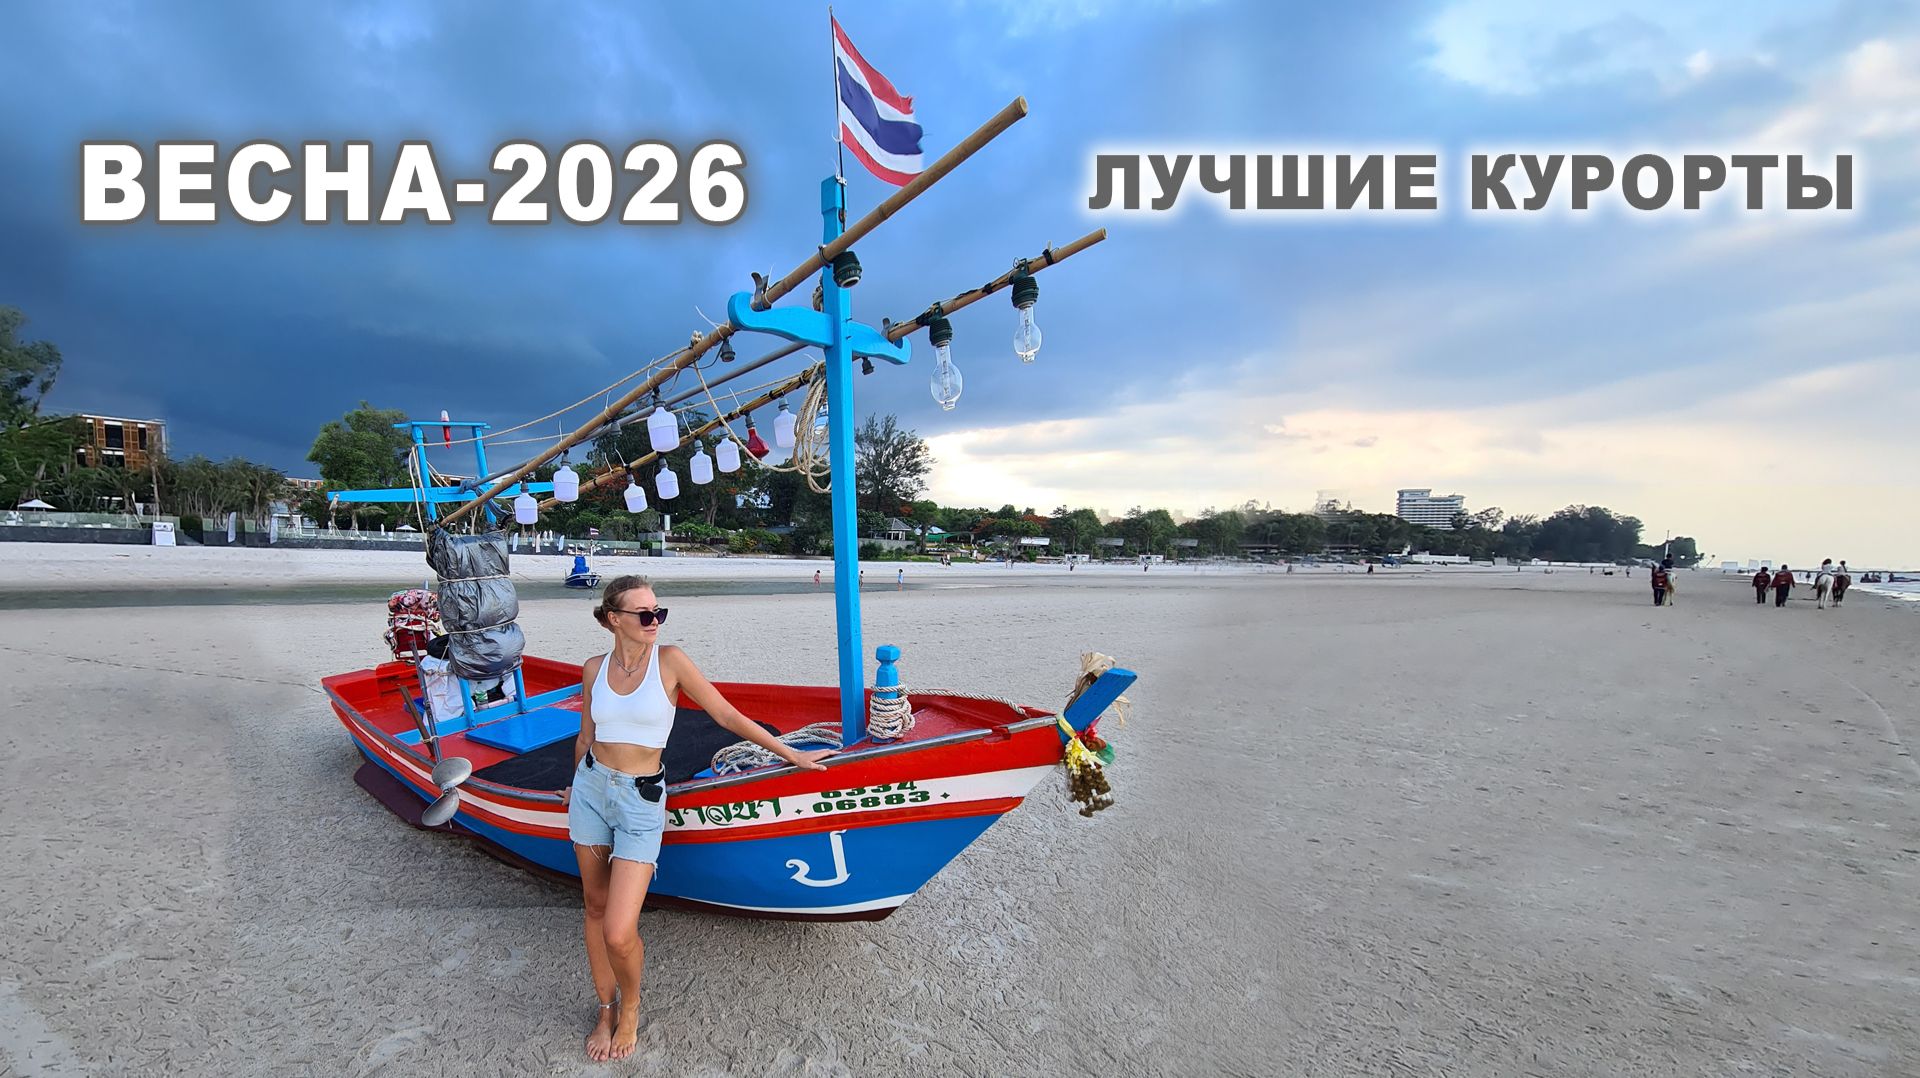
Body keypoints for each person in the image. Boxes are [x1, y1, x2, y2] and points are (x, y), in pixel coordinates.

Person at [564, 576, 832, 1061]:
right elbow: (587, 736)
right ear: (614, 619)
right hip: (590, 791)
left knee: (619, 931)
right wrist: (573, 785)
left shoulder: (670, 662)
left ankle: (631, 1007)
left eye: (659, 612)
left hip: (640, 801)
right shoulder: (593, 669)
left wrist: (791, 754)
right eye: (645, 614)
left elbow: (726, 716)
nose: (655, 621)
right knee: (594, 906)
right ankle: (605, 1008)